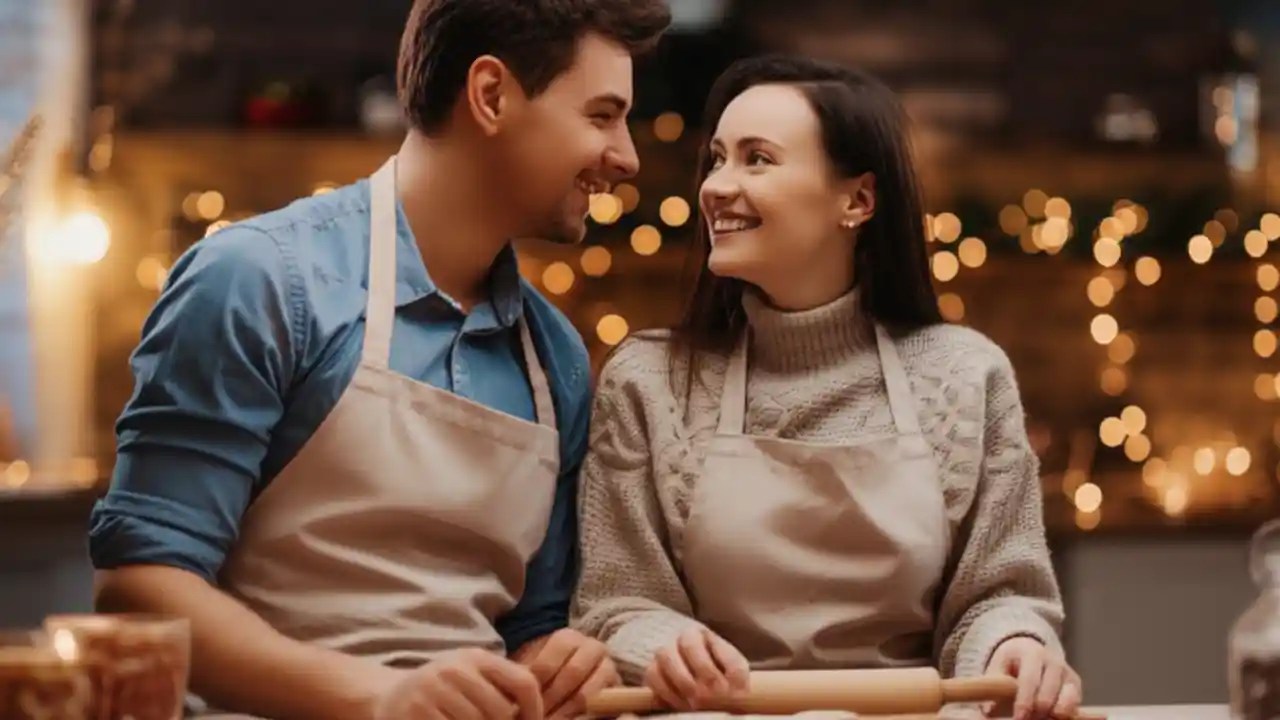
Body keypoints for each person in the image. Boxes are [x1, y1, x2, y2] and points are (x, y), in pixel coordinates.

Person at [88, 1, 671, 718]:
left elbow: (534, 625)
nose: (626, 156)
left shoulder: (557, 359)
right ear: (491, 95)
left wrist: (559, 662)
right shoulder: (262, 281)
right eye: (601, 116)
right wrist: (381, 696)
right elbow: (140, 588)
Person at [572, 54, 1082, 720]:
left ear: (858, 200)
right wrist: (662, 644)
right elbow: (614, 602)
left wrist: (1013, 645)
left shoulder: (967, 376)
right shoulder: (646, 380)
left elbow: (997, 596)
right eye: (717, 159)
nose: (717, 187)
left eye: (757, 159)